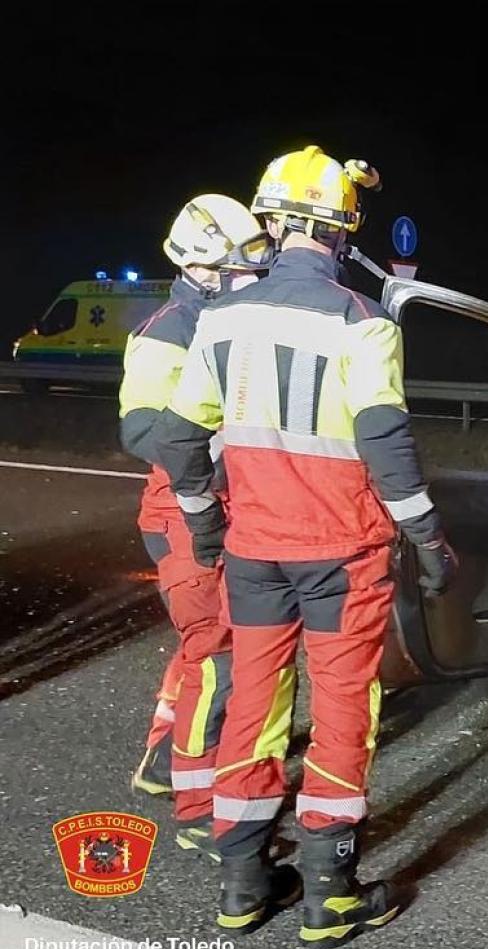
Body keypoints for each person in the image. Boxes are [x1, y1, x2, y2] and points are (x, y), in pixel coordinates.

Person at [157, 146, 456, 946]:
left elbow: (183, 438)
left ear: (272, 223)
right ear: (340, 230)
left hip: (254, 553)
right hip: (340, 556)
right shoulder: (361, 322)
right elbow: (386, 441)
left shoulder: (219, 317)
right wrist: (427, 536)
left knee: (252, 705)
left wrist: (205, 524)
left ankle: (243, 886)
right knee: (341, 711)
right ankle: (332, 894)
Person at [123, 195, 272, 863]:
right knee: (217, 657)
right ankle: (199, 806)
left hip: (213, 504)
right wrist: (215, 449)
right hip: (183, 510)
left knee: (202, 648)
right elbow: (142, 433)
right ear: (196, 265)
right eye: (231, 268)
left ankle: (164, 759)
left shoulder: (221, 320)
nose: (244, 279)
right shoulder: (168, 330)